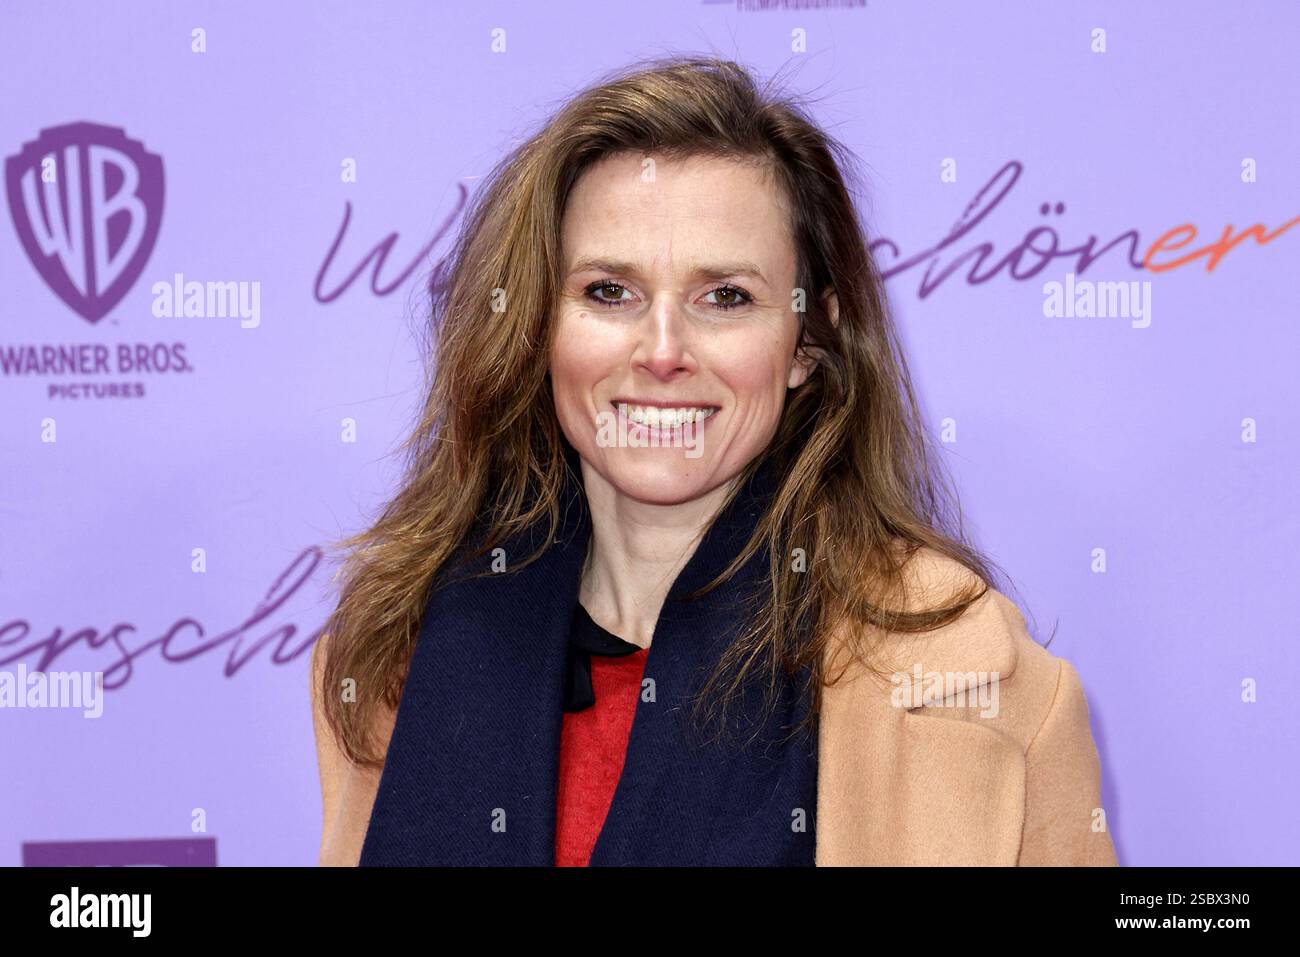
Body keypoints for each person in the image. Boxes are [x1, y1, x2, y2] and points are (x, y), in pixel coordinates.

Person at [311, 55, 1117, 866]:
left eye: (725, 296)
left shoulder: (978, 689)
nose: (663, 351)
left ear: (808, 340)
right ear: (536, 324)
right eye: (608, 292)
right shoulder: (394, 653)